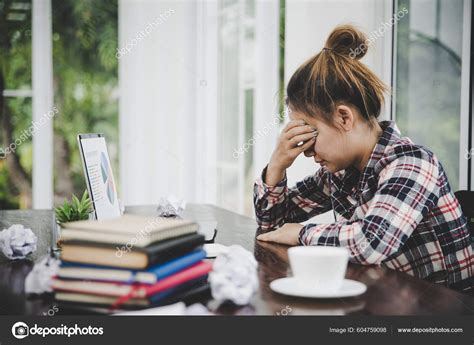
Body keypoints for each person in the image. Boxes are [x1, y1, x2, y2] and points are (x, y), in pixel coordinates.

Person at [253, 24, 473, 293]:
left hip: (445, 314)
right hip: (388, 301)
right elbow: (273, 227)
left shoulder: (413, 164)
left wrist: (302, 233)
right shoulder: (341, 172)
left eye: (311, 133)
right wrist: (277, 165)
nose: (307, 151)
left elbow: (371, 243)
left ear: (344, 117)